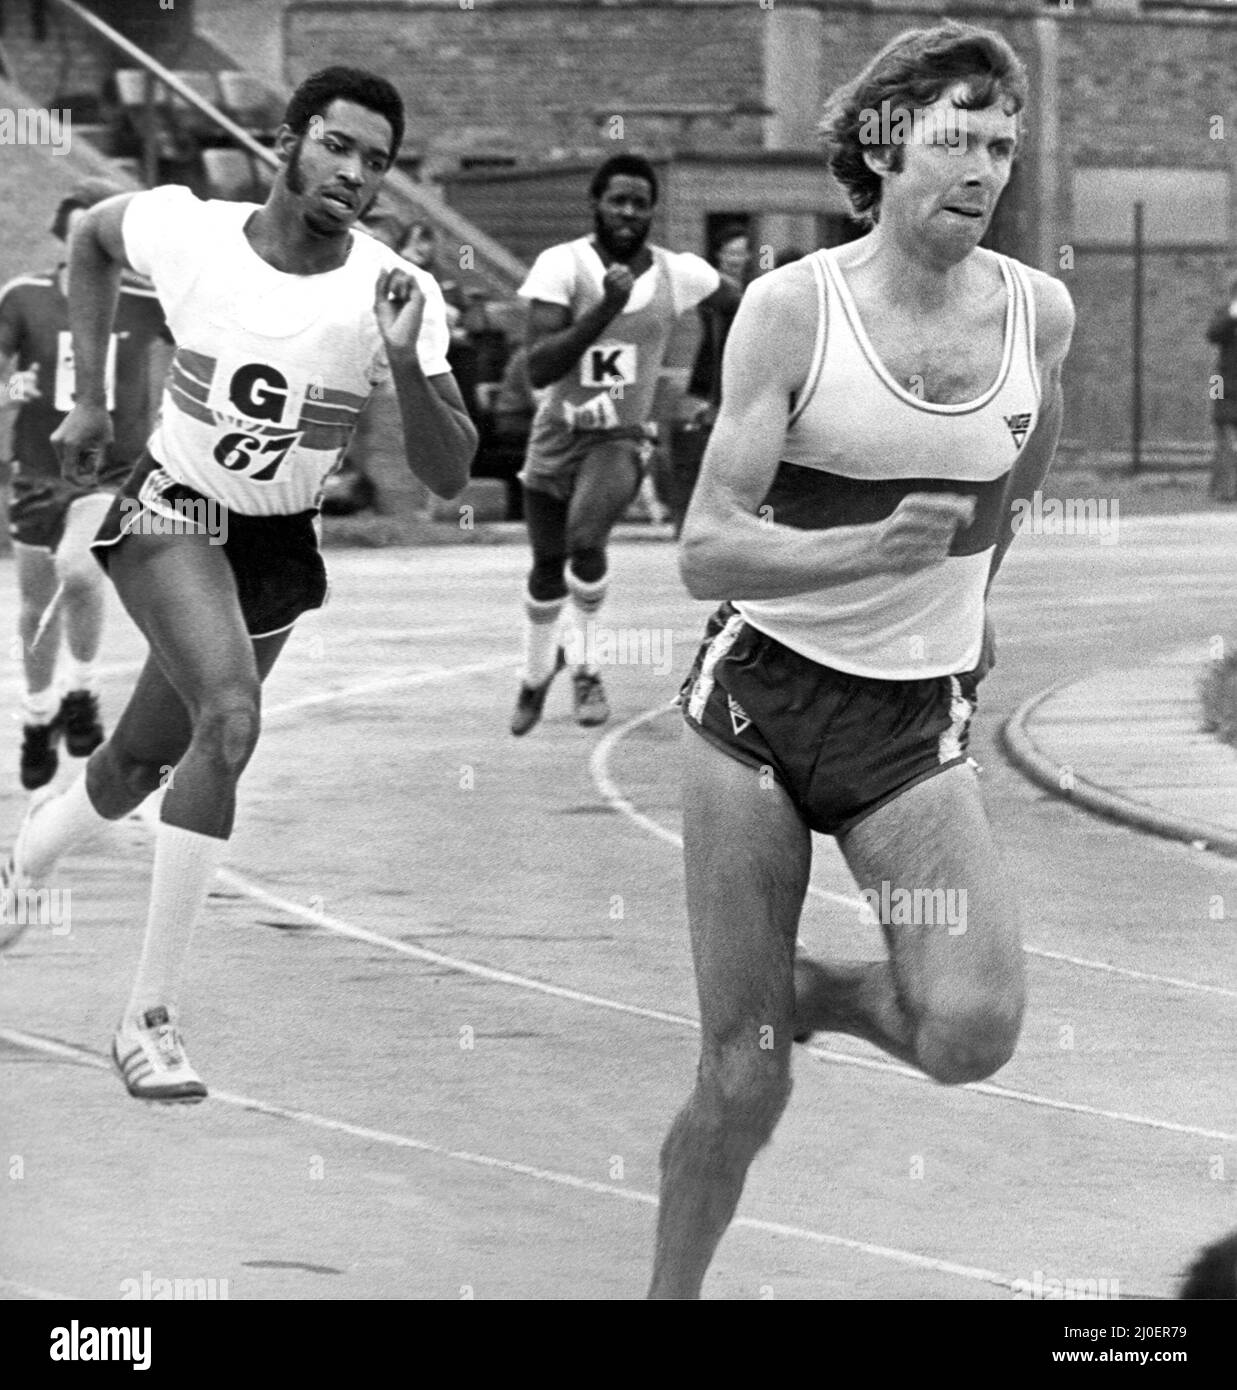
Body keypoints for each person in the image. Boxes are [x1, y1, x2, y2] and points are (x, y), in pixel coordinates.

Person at [648, 21, 1075, 1298]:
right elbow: (706, 548)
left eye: (1002, 144)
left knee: (970, 1030)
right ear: (887, 147)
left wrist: (971, 598)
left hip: (909, 723)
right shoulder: (793, 309)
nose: (985, 168)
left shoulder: (1036, 315)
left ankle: (816, 992)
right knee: (743, 1069)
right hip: (761, 706)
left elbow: (1016, 481)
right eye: (956, 138)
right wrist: (869, 555)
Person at [0, 66, 476, 1103]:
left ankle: (24, 857)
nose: (354, 174)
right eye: (337, 146)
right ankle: (147, 1017)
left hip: (273, 543)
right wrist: (84, 402)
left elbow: (449, 475)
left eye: (376, 164)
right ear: (287, 140)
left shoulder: (393, 291)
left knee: (136, 761)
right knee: (230, 718)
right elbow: (89, 239)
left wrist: (399, 363)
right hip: (172, 510)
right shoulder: (188, 228)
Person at [509, 153, 738, 735]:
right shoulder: (562, 265)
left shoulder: (677, 272)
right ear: (596, 204)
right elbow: (538, 367)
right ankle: (536, 675)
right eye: (618, 200)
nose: (629, 212)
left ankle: (586, 670)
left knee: (584, 539)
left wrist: (715, 384)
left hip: (621, 437)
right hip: (558, 434)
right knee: (545, 567)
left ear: (653, 210)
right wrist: (606, 308)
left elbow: (745, 306)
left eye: (640, 202)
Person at [0, 179, 170, 790]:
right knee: (36, 603)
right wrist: (12, 392)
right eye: (78, 231)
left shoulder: (148, 301)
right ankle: (38, 714)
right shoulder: (24, 297)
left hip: (110, 469)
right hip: (39, 471)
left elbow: (205, 348)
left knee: (80, 568)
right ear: (63, 234)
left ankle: (83, 688)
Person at [667, 223, 752, 536]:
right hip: (713, 368)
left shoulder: (745, 285)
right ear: (718, 254)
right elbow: (716, 340)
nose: (737, 258)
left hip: (731, 366)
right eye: (731, 252)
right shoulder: (714, 288)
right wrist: (715, 394)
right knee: (708, 443)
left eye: (742, 252)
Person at [1205, 273, 1237, 502]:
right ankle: (1224, 491)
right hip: (1225, 389)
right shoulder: (1226, 315)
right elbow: (1212, 334)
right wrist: (1232, 315)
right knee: (1225, 441)